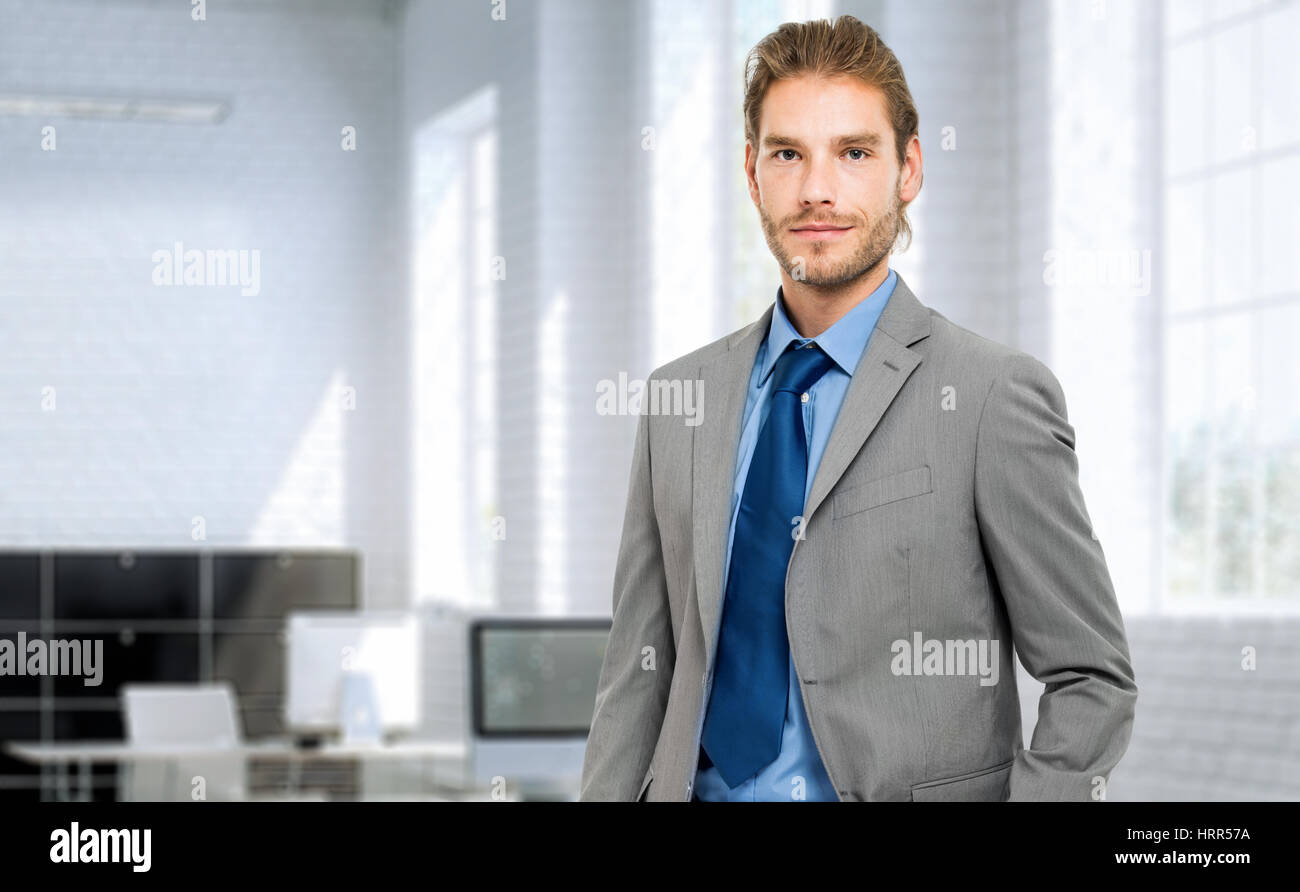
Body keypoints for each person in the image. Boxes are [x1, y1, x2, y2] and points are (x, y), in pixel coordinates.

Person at [580, 14, 1136, 802]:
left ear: (908, 169)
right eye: (787, 154)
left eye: (853, 152)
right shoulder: (679, 403)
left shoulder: (991, 397)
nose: (817, 189)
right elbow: (636, 674)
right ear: (752, 173)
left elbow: (1091, 678)